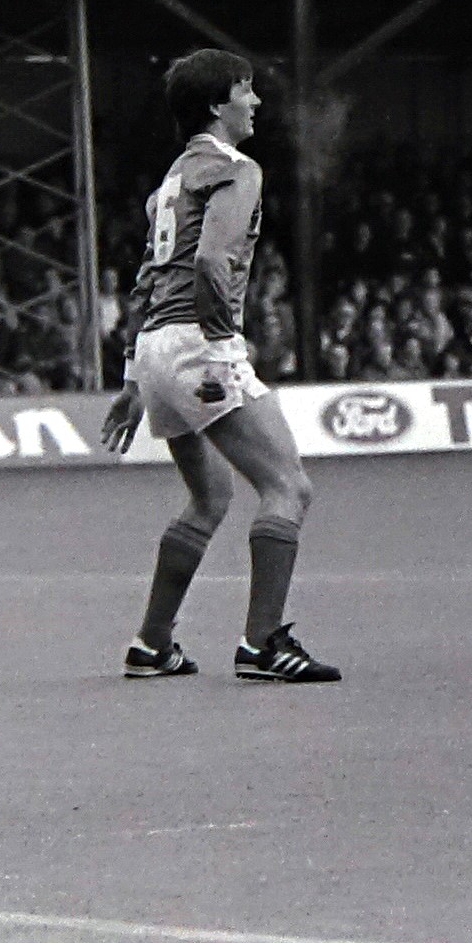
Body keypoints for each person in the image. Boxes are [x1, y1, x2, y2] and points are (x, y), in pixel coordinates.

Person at [101, 51, 339, 684]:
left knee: (209, 496)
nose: (256, 102)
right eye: (246, 91)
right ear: (217, 106)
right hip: (195, 346)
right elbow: (211, 262)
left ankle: (152, 643)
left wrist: (132, 378)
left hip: (155, 348)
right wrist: (220, 341)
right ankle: (263, 643)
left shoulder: (170, 184)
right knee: (288, 487)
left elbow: (147, 281)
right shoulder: (237, 170)